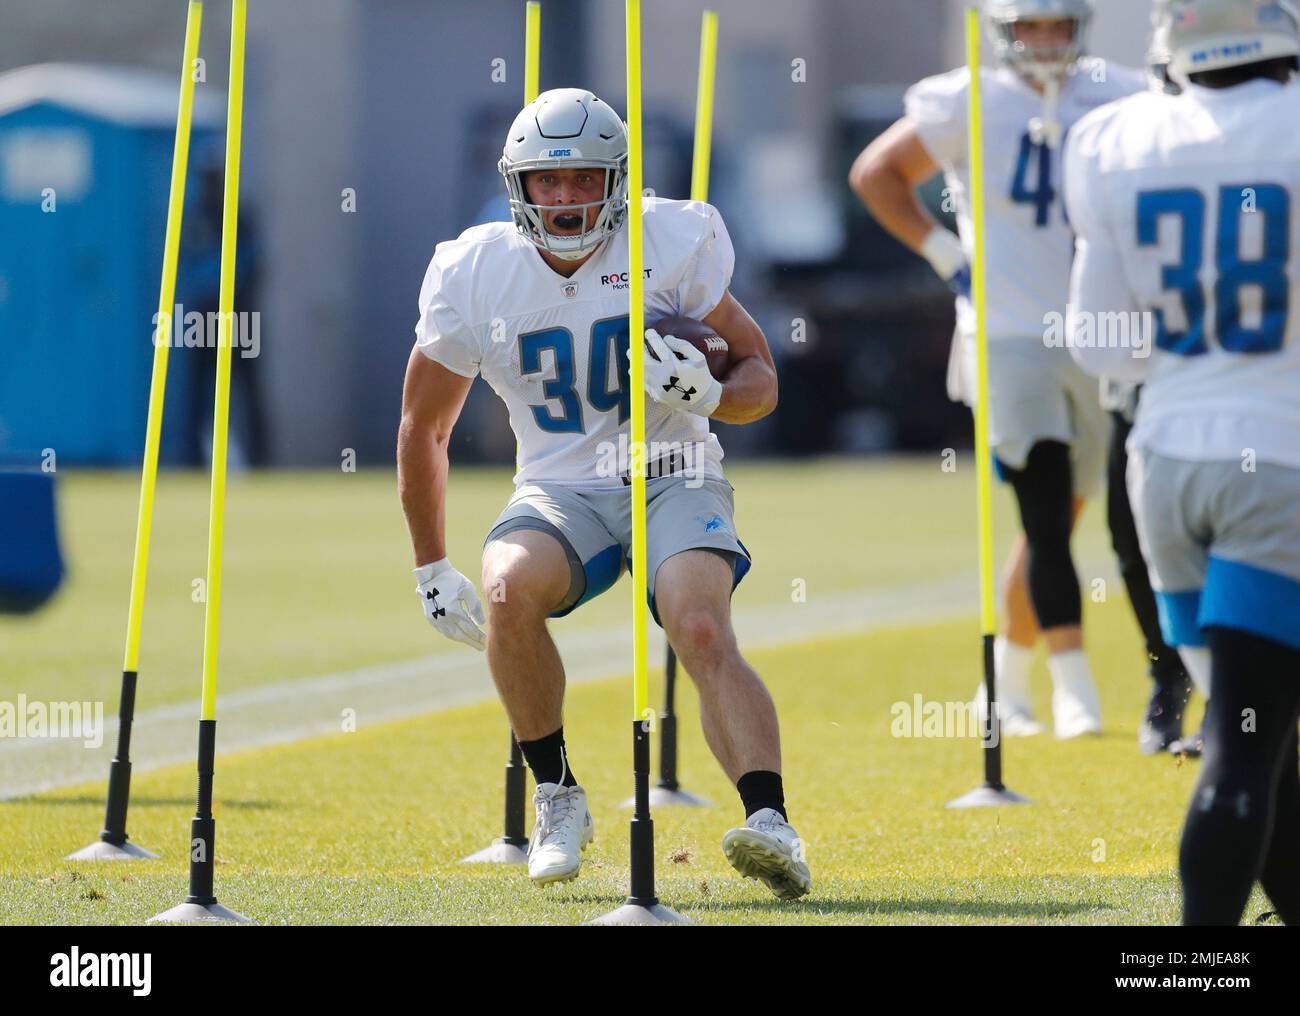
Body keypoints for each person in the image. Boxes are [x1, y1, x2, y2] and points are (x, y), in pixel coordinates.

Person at [397, 88, 810, 900]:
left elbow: (761, 379)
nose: (563, 198)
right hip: (559, 486)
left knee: (697, 619)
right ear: (517, 185)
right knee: (507, 585)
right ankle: (557, 798)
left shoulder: (672, 240)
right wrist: (429, 564)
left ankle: (771, 824)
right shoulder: (476, 269)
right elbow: (425, 427)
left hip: (672, 470)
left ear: (616, 180)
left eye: (582, 179)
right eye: (545, 182)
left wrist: (710, 396)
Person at [849, 0, 1143, 738]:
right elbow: (877, 173)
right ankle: (1073, 687)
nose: (1044, 42)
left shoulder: (1119, 92)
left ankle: (1005, 683)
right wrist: (947, 254)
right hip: (1008, 328)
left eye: (1056, 26)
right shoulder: (967, 98)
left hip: (1102, 328)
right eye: (1030, 27)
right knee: (1043, 515)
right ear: (1005, 31)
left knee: (1089, 512)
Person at [1065, 0, 1300, 925]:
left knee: (1258, 736)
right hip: (1276, 463)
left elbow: (1097, 340)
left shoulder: (1113, 137)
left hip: (1162, 464)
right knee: (1246, 741)